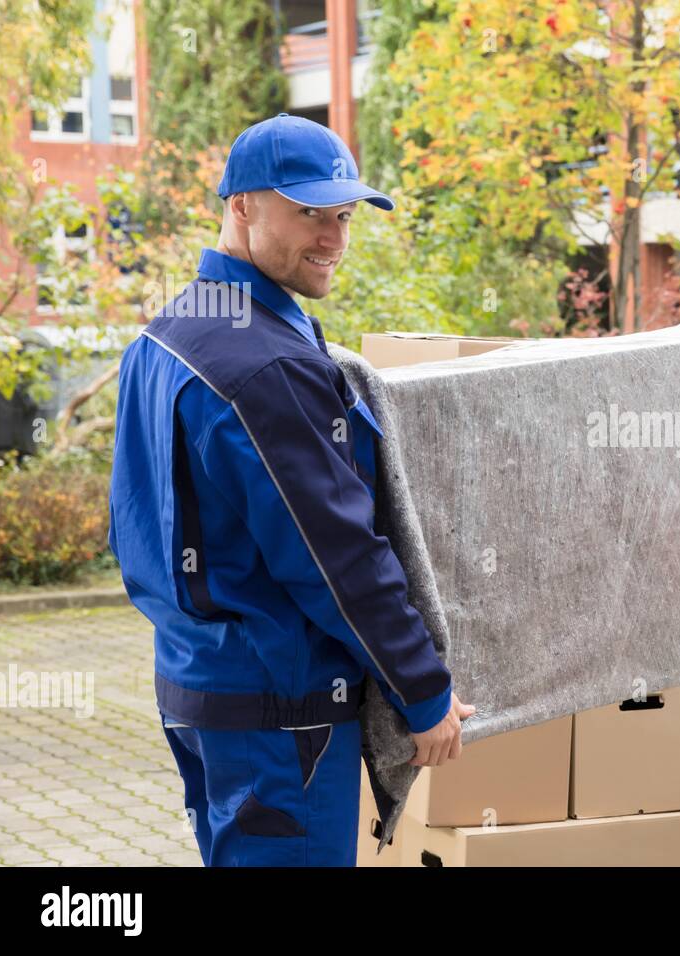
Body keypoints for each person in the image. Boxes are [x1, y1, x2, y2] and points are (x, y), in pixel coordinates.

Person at [108, 114, 474, 867]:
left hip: (202, 693)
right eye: (309, 213)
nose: (334, 239)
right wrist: (424, 691)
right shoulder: (262, 363)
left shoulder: (168, 334)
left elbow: (131, 532)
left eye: (343, 217)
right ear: (240, 205)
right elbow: (336, 557)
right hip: (281, 716)